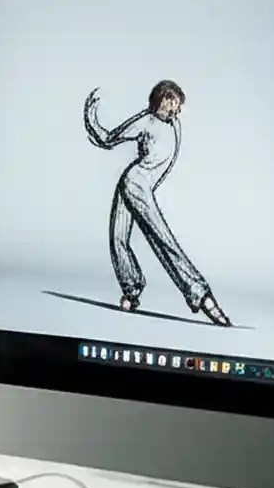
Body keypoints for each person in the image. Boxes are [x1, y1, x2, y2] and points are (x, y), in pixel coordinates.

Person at [83, 79, 231, 327]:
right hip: (132, 184)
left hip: (140, 187)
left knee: (155, 240)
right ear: (160, 100)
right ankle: (137, 290)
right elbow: (107, 139)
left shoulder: (174, 125)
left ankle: (198, 294)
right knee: (127, 239)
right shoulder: (146, 121)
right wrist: (90, 115)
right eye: (171, 102)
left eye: (177, 104)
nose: (175, 108)